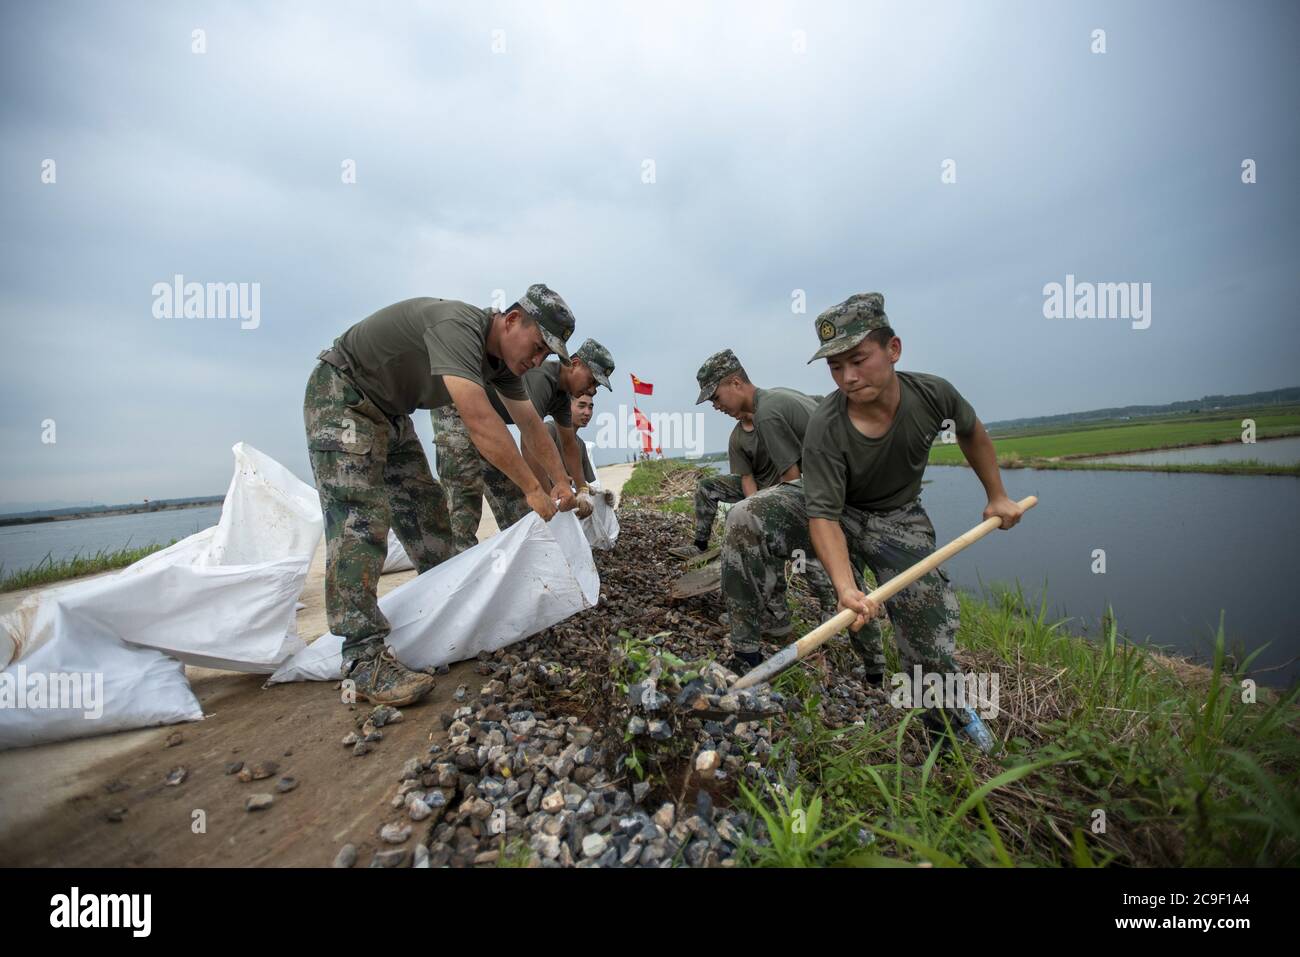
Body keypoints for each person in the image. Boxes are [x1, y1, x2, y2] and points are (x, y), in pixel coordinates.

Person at [723, 292, 1024, 752]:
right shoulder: (827, 424)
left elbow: (971, 431)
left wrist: (997, 495)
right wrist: (847, 588)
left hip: (896, 517)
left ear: (893, 349)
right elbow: (823, 515)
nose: (848, 377)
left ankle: (944, 725)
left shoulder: (931, 393)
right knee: (747, 515)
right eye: (835, 367)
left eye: (858, 360)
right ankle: (747, 654)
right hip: (831, 506)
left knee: (928, 622)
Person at [303, 285, 579, 706]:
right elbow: (479, 421)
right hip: (344, 398)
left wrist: (561, 482)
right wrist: (531, 489)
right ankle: (362, 660)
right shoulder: (458, 326)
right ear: (510, 321)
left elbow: (529, 424)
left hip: (392, 414)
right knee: (360, 519)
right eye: (538, 346)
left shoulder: (501, 364)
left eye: (546, 356)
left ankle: (444, 627)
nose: (538, 361)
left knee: (429, 518)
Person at [694, 349, 858, 647]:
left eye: (716, 397)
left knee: (762, 533)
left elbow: (792, 481)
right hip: (841, 485)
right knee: (764, 527)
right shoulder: (777, 397)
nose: (716, 406)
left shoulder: (766, 414)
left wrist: (761, 519)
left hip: (838, 492)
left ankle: (780, 622)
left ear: (735, 383)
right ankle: (819, 620)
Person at [432, 338, 614, 551]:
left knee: (516, 507)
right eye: (592, 381)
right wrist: (549, 494)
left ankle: (525, 564)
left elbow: (569, 444)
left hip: (491, 426)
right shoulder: (542, 379)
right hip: (457, 411)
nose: (592, 391)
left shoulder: (561, 397)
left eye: (596, 387)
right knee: (465, 497)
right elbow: (530, 444)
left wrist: (582, 490)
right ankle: (460, 572)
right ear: (575, 364)